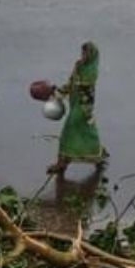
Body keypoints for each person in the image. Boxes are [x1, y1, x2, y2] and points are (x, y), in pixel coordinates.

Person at [47, 42, 107, 175]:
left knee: (69, 132)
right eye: (82, 53)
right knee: (86, 132)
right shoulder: (79, 65)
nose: (83, 56)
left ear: (92, 56)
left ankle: (63, 162)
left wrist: (87, 112)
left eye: (86, 53)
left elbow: (86, 92)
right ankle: (97, 155)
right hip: (74, 103)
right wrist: (59, 92)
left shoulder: (91, 71)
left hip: (83, 106)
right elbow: (71, 82)